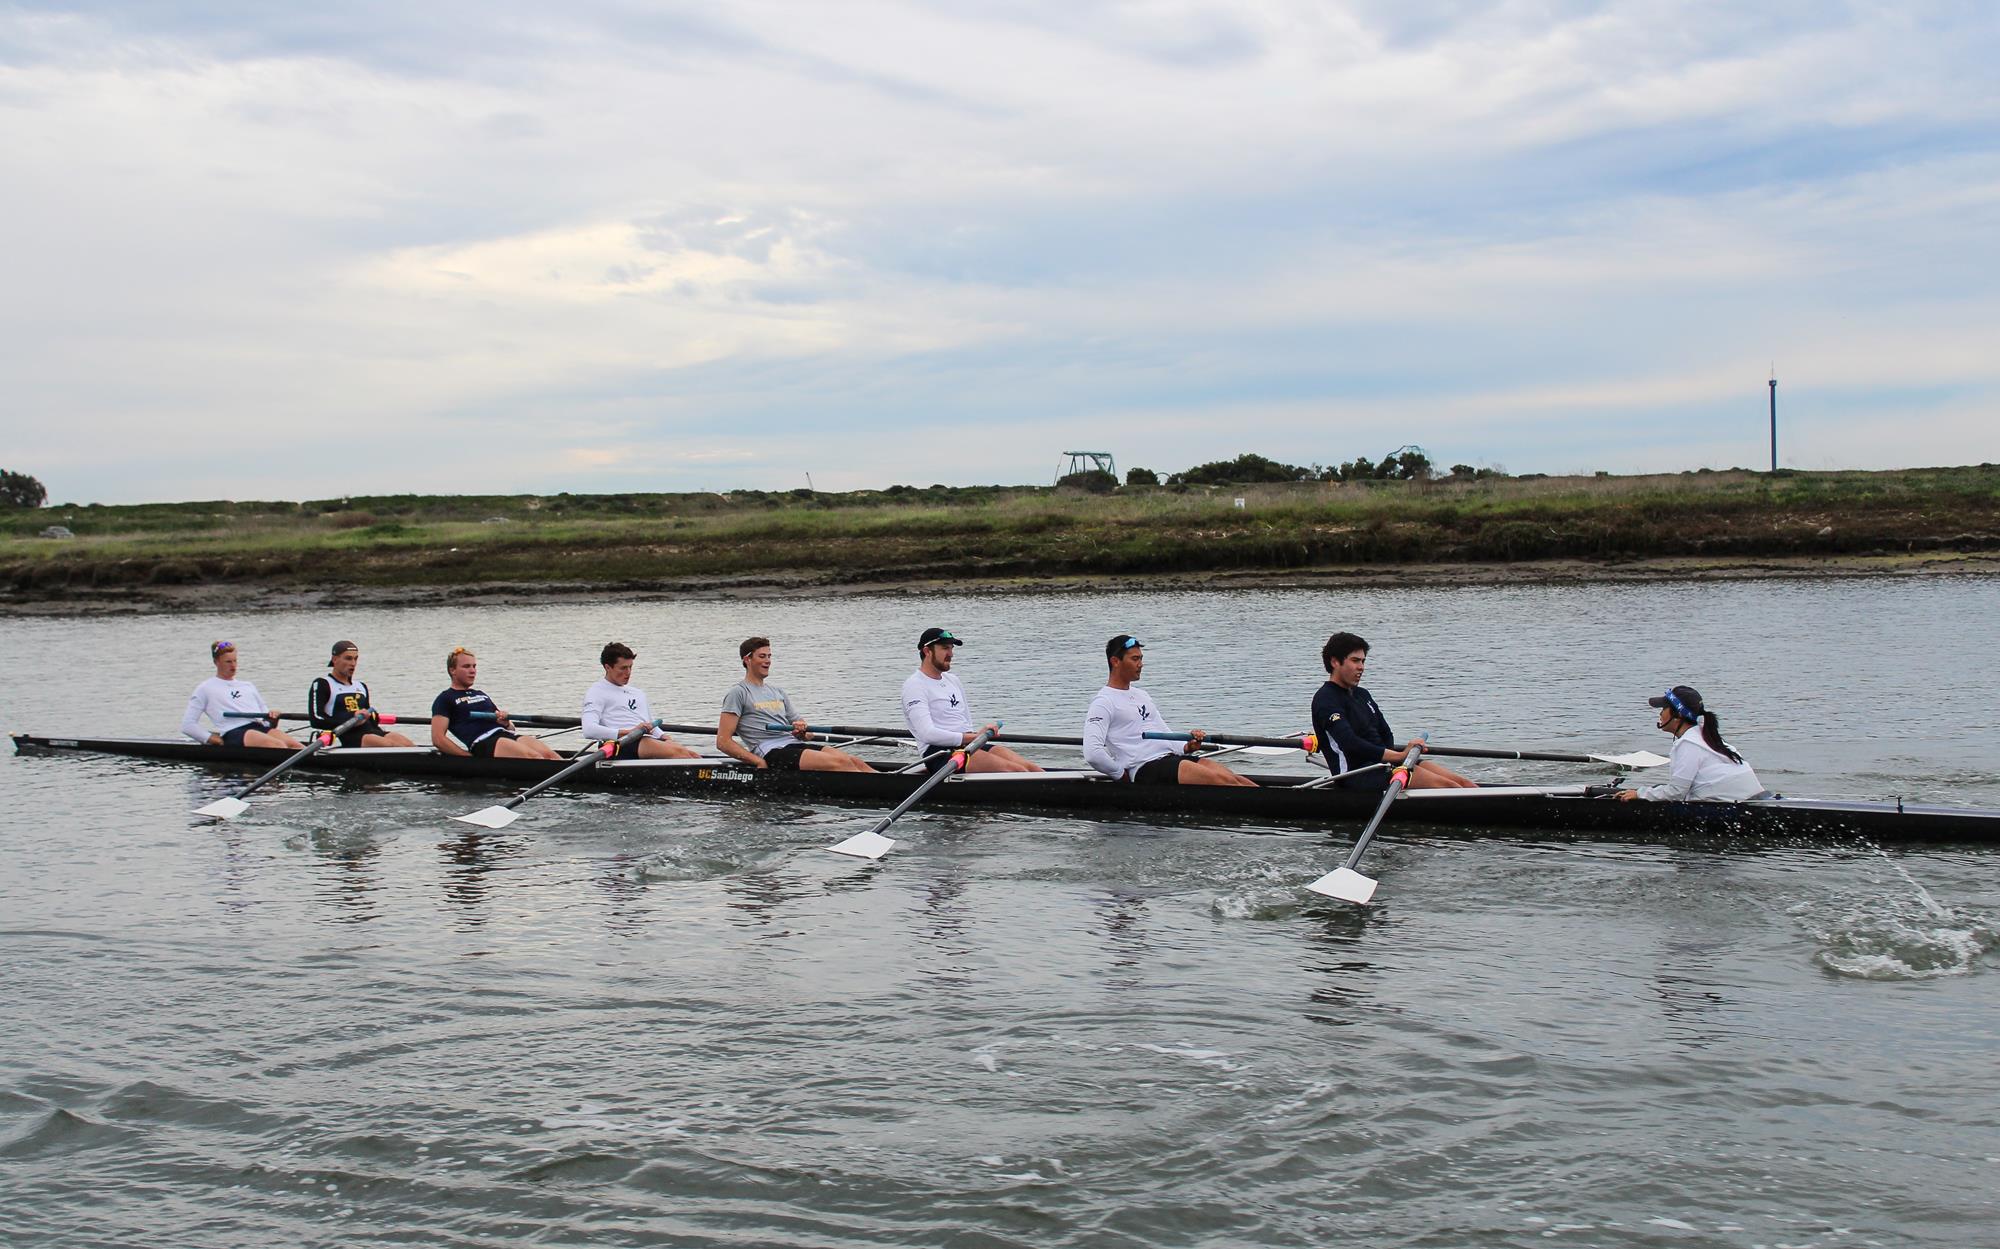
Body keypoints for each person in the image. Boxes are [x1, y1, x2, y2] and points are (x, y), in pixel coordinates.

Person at [1083, 635, 1255, 786]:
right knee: (1224, 782)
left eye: (1141, 659)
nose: (1141, 664)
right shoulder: (1103, 702)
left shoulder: (1142, 695)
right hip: (1144, 768)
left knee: (1235, 779)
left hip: (1168, 760)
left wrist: (1188, 747)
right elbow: (1093, 753)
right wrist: (1120, 775)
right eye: (1135, 659)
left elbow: (1164, 733)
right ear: (1115, 661)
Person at [1312, 632, 1476, 789]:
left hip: (1383, 766)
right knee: (1450, 787)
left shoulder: (1362, 694)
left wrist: (1395, 760)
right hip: (1355, 775)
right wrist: (1398, 756)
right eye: (1355, 661)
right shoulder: (1325, 700)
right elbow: (1350, 743)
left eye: (1363, 661)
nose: (1361, 667)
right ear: (1335, 662)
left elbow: (1385, 733)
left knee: (1465, 784)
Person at [716, 637, 875, 772]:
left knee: (854, 761)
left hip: (793, 744)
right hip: (771, 751)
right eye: (762, 656)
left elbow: (808, 735)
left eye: (769, 656)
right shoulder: (738, 692)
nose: (768, 661)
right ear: (747, 660)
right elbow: (723, 742)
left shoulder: (777, 691)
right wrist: (757, 762)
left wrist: (802, 732)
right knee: (841, 763)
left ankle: (894, 785)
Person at [901, 627, 1042, 773]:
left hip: (968, 745)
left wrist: (976, 736)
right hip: (939, 754)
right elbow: (927, 734)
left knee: (1033, 769)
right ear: (927, 651)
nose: (951, 654)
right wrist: (974, 737)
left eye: (951, 648)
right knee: (1016, 771)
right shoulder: (914, 686)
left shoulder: (953, 680)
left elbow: (966, 723)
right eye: (945, 648)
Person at [1618, 686, 1768, 801]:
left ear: (1678, 715)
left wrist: (1640, 794)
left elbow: (1676, 792)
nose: (1660, 713)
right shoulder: (1706, 736)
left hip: (1734, 807)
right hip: (1756, 798)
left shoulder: (1688, 744)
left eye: (1664, 708)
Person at [429, 647, 560, 759]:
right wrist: (466, 756)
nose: (473, 670)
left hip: (505, 734)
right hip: (484, 743)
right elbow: (438, 739)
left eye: (474, 666)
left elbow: (511, 727)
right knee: (535, 757)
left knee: (550, 755)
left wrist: (506, 722)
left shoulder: (480, 694)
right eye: (466, 666)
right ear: (453, 670)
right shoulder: (445, 698)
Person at [583, 642, 699, 759]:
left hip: (643, 740)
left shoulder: (638, 693)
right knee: (680, 754)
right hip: (619, 745)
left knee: (692, 755)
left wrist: (666, 738)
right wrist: (629, 732)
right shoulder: (596, 692)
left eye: (630, 667)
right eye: (623, 668)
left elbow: (650, 724)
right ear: (608, 667)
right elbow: (589, 729)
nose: (628, 673)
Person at [182, 640, 303, 749]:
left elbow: (266, 723)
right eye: (228, 662)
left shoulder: (247, 686)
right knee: (278, 745)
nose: (233, 665)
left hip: (258, 728)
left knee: (297, 746)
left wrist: (273, 718)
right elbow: (188, 725)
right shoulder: (205, 688)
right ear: (216, 662)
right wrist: (210, 738)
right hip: (233, 732)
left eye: (235, 661)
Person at [308, 640, 414, 748]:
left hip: (373, 731)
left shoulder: (361, 686)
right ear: (335, 659)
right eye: (348, 658)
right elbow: (316, 720)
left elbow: (371, 719)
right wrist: (351, 719)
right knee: (390, 745)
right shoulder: (322, 684)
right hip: (351, 737)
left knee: (407, 744)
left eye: (355, 659)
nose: (353, 663)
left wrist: (372, 716)